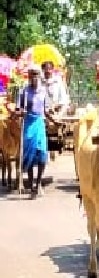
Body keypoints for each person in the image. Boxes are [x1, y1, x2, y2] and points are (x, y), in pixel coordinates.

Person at [14, 67, 49, 196]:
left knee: (42, 154)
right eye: (31, 75)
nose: (34, 77)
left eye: (36, 74)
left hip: (39, 123)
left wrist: (54, 119)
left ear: (39, 76)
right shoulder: (24, 91)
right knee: (29, 155)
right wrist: (20, 112)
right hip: (28, 123)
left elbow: (46, 110)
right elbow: (17, 110)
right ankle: (31, 185)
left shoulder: (43, 91)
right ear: (28, 77)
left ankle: (38, 183)